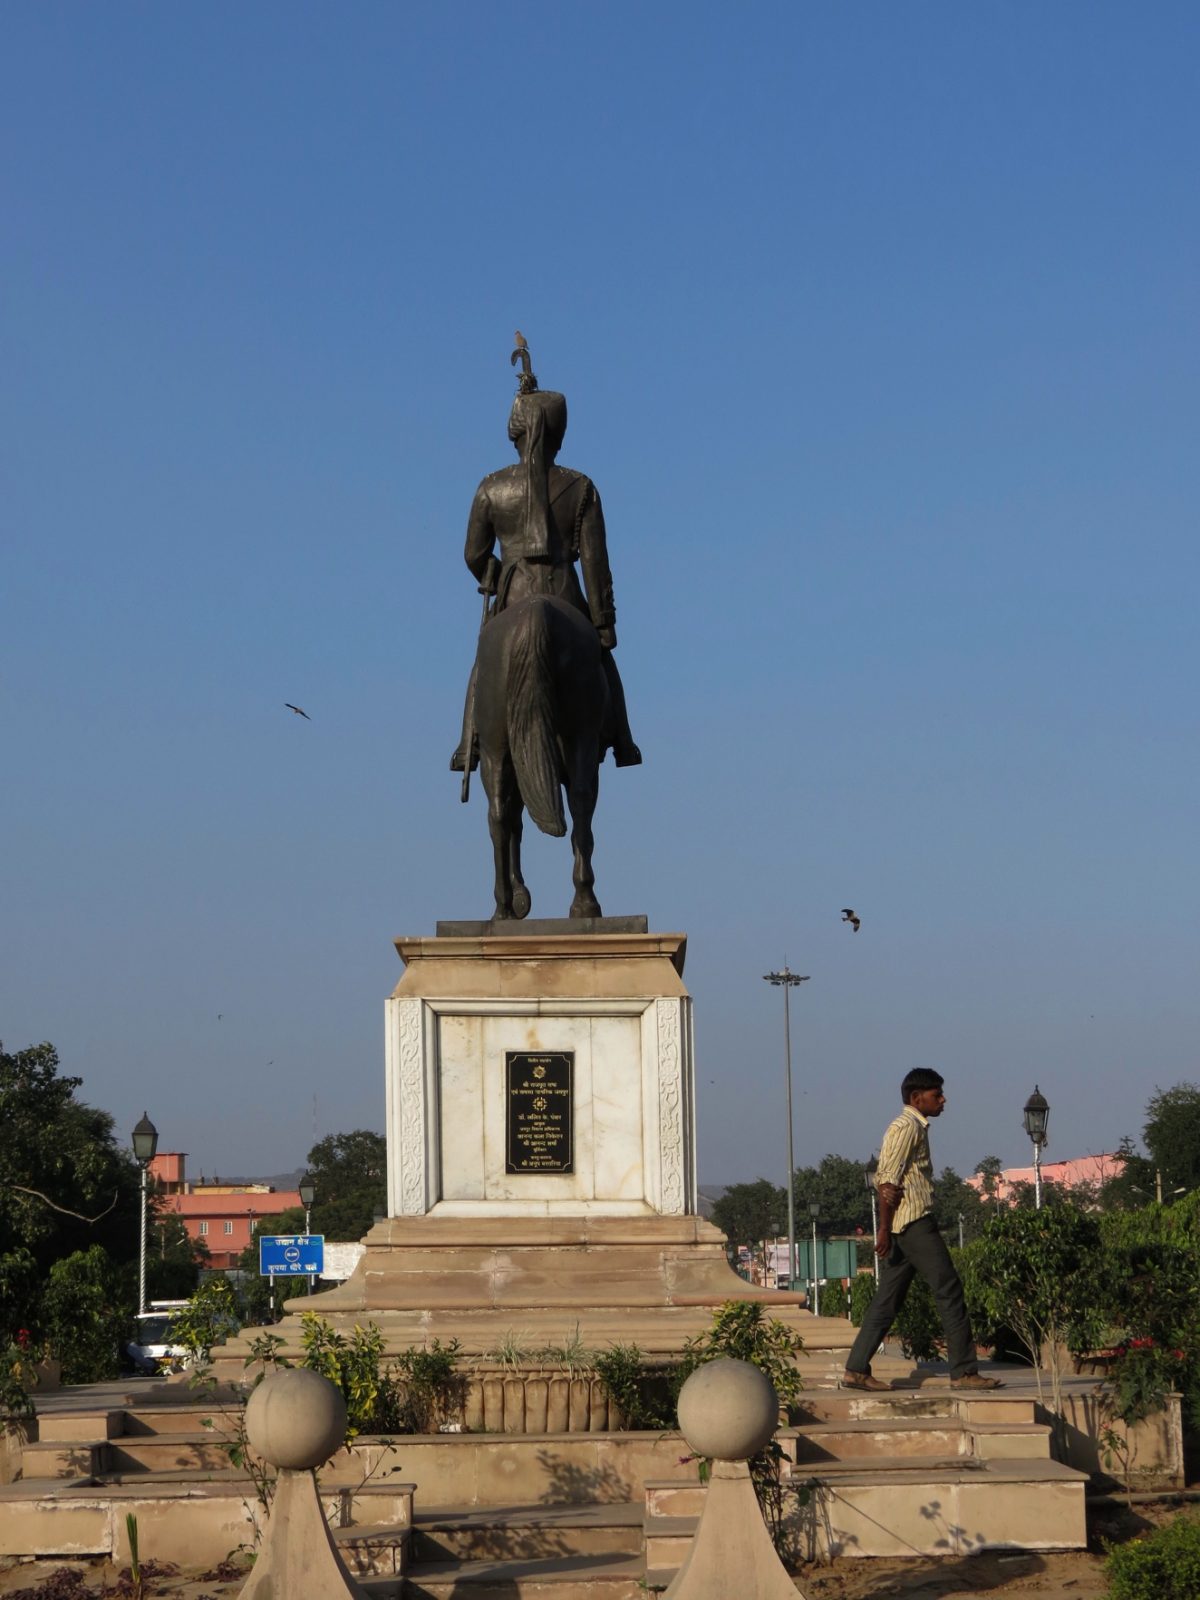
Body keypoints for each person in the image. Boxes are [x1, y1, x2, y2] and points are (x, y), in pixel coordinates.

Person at [450, 359, 641, 775]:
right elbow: (596, 563)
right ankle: (623, 739)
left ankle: (469, 743)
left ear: (514, 432)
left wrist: (499, 576)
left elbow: (472, 554)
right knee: (603, 661)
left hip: (513, 587)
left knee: (485, 665)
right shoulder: (582, 487)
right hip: (564, 591)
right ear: (559, 433)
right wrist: (604, 623)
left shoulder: (491, 487)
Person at [842, 1067, 1003, 1392]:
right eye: (936, 1094)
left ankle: (856, 1369)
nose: (943, 1100)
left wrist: (888, 1229)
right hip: (913, 1224)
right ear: (917, 1098)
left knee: (887, 1299)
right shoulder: (908, 1127)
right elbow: (887, 1181)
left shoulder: (911, 1126)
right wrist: (884, 1230)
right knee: (949, 1290)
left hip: (904, 1225)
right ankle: (964, 1372)